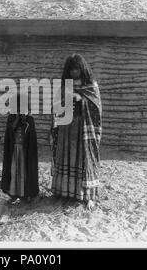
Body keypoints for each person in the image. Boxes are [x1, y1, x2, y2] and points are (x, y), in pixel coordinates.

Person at [51, 53, 102, 211]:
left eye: (77, 69)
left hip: (83, 128)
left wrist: (81, 99)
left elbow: (97, 107)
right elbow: (57, 104)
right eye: (71, 69)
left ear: (82, 69)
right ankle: (65, 193)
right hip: (66, 127)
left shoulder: (91, 85)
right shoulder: (65, 85)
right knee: (65, 156)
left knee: (82, 158)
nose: (74, 72)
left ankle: (85, 195)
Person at [1, 94, 39, 202]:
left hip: (25, 151)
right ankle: (13, 193)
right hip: (14, 151)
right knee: (14, 171)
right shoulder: (11, 118)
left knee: (24, 172)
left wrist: (24, 121)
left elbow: (30, 135)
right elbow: (10, 131)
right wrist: (17, 121)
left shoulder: (29, 119)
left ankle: (25, 193)